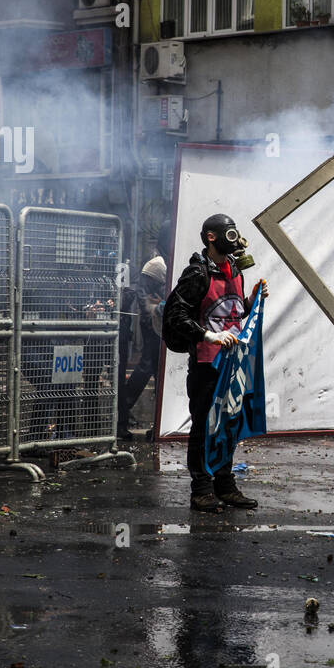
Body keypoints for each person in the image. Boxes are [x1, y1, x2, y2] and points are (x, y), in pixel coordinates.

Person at [163, 213, 267, 510]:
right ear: (211, 236)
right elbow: (175, 316)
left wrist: (252, 303)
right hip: (207, 365)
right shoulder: (197, 274)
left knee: (229, 425)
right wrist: (209, 337)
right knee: (203, 426)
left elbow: (233, 313)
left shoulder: (235, 269)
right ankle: (201, 490)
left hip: (233, 364)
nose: (234, 239)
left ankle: (225, 485)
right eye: (229, 234)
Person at [118, 226, 171, 440]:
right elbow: (143, 293)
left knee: (159, 371)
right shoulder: (156, 264)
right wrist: (150, 318)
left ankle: (157, 423)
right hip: (154, 324)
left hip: (165, 323)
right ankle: (122, 412)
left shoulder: (171, 261)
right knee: (148, 367)